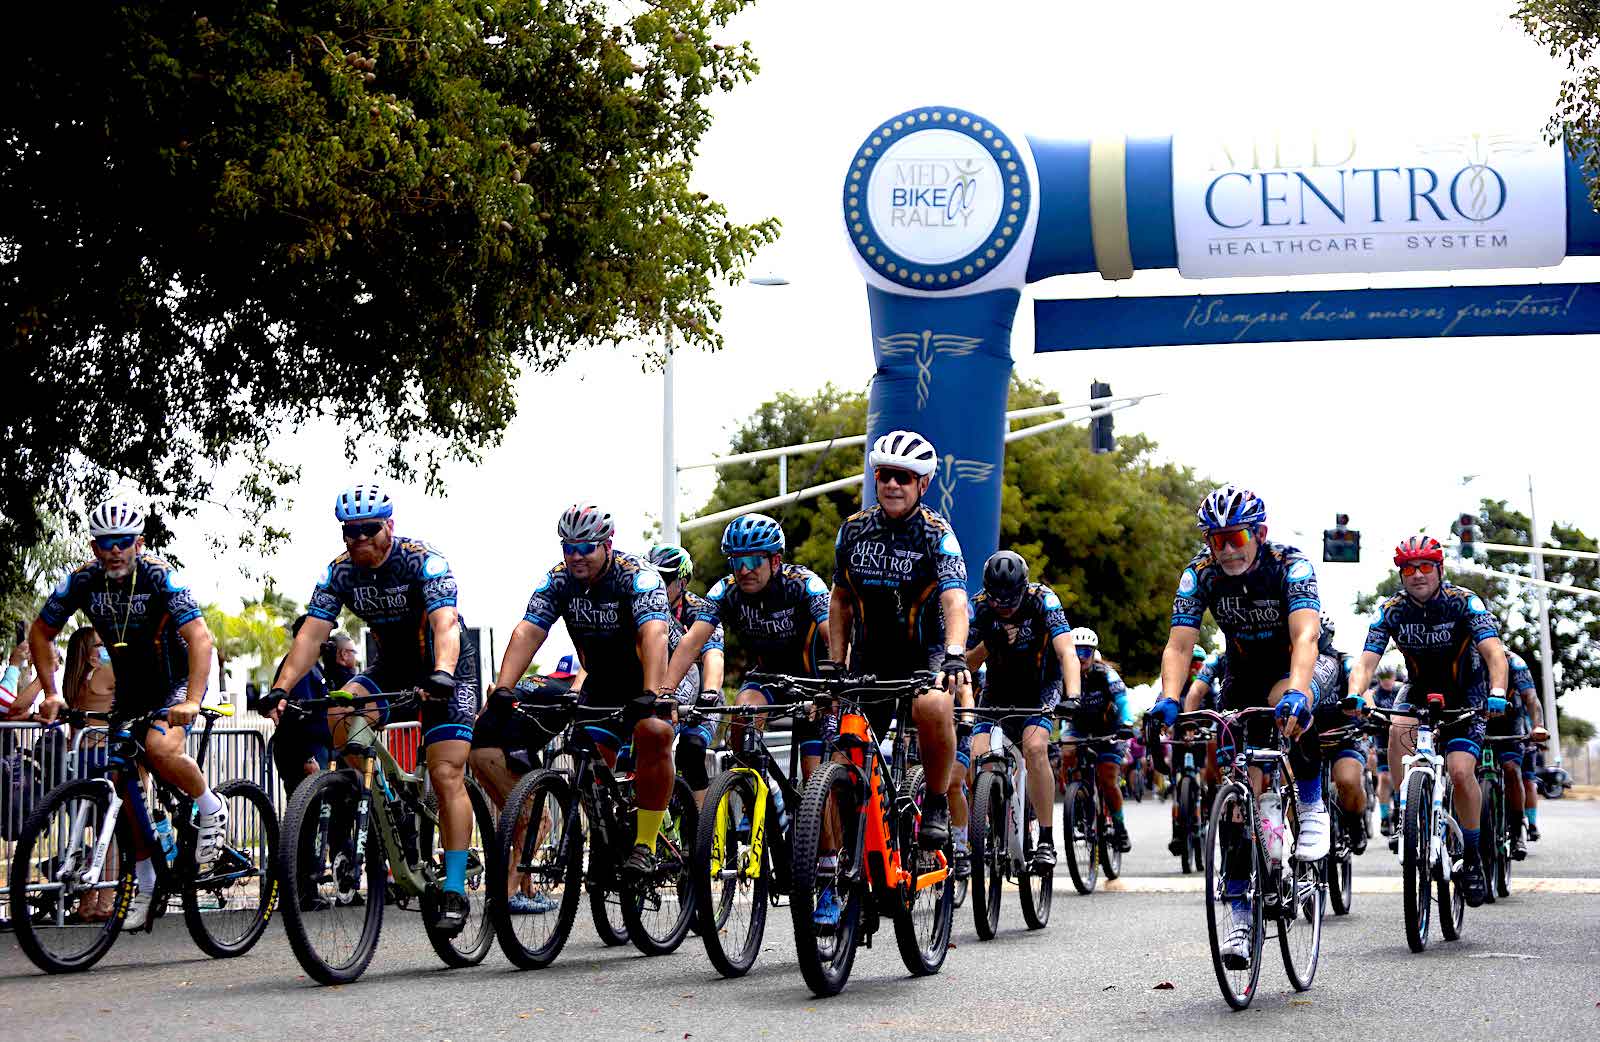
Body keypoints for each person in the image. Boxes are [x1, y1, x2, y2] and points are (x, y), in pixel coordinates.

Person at [266, 483, 481, 936]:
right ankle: (385, 802)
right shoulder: (340, 572)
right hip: (392, 666)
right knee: (339, 714)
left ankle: (454, 888)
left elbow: (445, 623)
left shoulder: (422, 561)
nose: (360, 538)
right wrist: (281, 688)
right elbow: (310, 636)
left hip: (446, 666)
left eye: (369, 528)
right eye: (350, 531)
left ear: (389, 526)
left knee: (445, 773)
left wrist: (442, 673)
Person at [1147, 484, 1330, 970]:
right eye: (1217, 539)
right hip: (1242, 674)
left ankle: (1311, 803)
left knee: (1288, 707)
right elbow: (1180, 644)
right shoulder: (1200, 574)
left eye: (1237, 537)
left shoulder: (1291, 565)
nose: (1227, 549)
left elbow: (1305, 635)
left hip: (1296, 665)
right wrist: (1169, 697)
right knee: (1237, 803)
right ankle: (1241, 918)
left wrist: (1298, 689)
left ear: (1259, 534)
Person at [31, 492, 225, 930]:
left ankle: (210, 805)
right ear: (94, 546)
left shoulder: (160, 576)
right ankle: (146, 879)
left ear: (139, 543)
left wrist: (192, 700)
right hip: (131, 692)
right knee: (121, 782)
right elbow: (41, 633)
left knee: (159, 748)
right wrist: (52, 693)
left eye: (124, 541)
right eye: (106, 542)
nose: (115, 550)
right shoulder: (82, 581)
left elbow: (200, 638)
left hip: (175, 682)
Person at [824, 429, 969, 928]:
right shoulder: (852, 531)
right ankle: (838, 877)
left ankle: (935, 802)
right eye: (884, 475)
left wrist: (954, 653)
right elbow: (840, 601)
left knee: (933, 705)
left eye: (903, 478)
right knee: (838, 766)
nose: (891, 484)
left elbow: (955, 599)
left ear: (922, 485)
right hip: (869, 656)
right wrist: (836, 663)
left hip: (924, 654)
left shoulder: (936, 534)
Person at [493, 504, 674, 880]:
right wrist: (505, 687)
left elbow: (654, 633)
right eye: (568, 548)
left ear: (607, 545)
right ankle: (606, 838)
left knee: (653, 732)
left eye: (586, 548)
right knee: (587, 759)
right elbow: (529, 631)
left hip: (649, 676)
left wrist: (651, 693)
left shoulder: (638, 577)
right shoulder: (559, 581)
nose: (576, 556)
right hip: (602, 682)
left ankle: (645, 843)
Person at [1348, 534, 1510, 908]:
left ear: (1439, 569)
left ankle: (1472, 857)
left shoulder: (1464, 602)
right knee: (1397, 729)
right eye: (1409, 569)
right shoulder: (1391, 610)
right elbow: (1366, 662)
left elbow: (1494, 655)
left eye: (1424, 567)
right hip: (1419, 690)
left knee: (1460, 771)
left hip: (1466, 693)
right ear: (1401, 575)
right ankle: (1406, 811)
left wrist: (1498, 691)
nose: (1417, 575)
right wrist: (1356, 694)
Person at [662, 514, 831, 780]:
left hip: (815, 682)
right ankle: (757, 793)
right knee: (742, 716)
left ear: (775, 560)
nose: (743, 571)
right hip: (769, 678)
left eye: (752, 561)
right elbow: (692, 642)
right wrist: (665, 692)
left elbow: (832, 633)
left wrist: (836, 683)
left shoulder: (803, 584)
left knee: (814, 777)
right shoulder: (725, 591)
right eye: (736, 561)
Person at [964, 550, 1079, 868]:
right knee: (976, 756)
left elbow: (1067, 651)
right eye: (997, 600)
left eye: (1010, 600)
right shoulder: (979, 606)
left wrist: (1073, 695)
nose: (1004, 606)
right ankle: (986, 825)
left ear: (1023, 588)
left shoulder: (1043, 600)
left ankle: (1046, 839)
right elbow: (966, 665)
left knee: (1035, 747)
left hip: (1040, 689)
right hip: (997, 692)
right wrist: (989, 643)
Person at [647, 544, 724, 809]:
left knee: (690, 752)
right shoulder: (640, 604)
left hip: (701, 692)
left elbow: (714, 655)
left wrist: (710, 693)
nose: (657, 586)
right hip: (661, 692)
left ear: (681, 582)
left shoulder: (700, 610)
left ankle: (701, 825)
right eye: (652, 578)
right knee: (632, 749)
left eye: (664, 579)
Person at [1059, 628, 1133, 853]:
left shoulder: (1106, 674)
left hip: (1109, 729)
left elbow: (1122, 701)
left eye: (1086, 652)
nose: (1081, 657)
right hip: (1079, 728)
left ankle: (1119, 826)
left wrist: (1127, 723)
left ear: (1093, 654)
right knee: (1066, 753)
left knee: (1108, 777)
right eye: (1076, 651)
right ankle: (1076, 798)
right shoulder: (1062, 675)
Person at [1485, 648, 1547, 860]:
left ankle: (1517, 831)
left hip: (1510, 719)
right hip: (1478, 716)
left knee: (1512, 770)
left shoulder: (1515, 663)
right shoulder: (1468, 657)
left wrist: (1538, 726)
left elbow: (1531, 698)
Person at [1367, 664, 1405, 837]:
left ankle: (1399, 808)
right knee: (1384, 778)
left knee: (1401, 778)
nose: (1386, 680)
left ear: (1394, 676)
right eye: (1382, 678)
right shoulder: (1375, 694)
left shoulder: (1401, 690)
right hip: (1381, 739)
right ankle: (1384, 817)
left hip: (1400, 737)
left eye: (1389, 676)